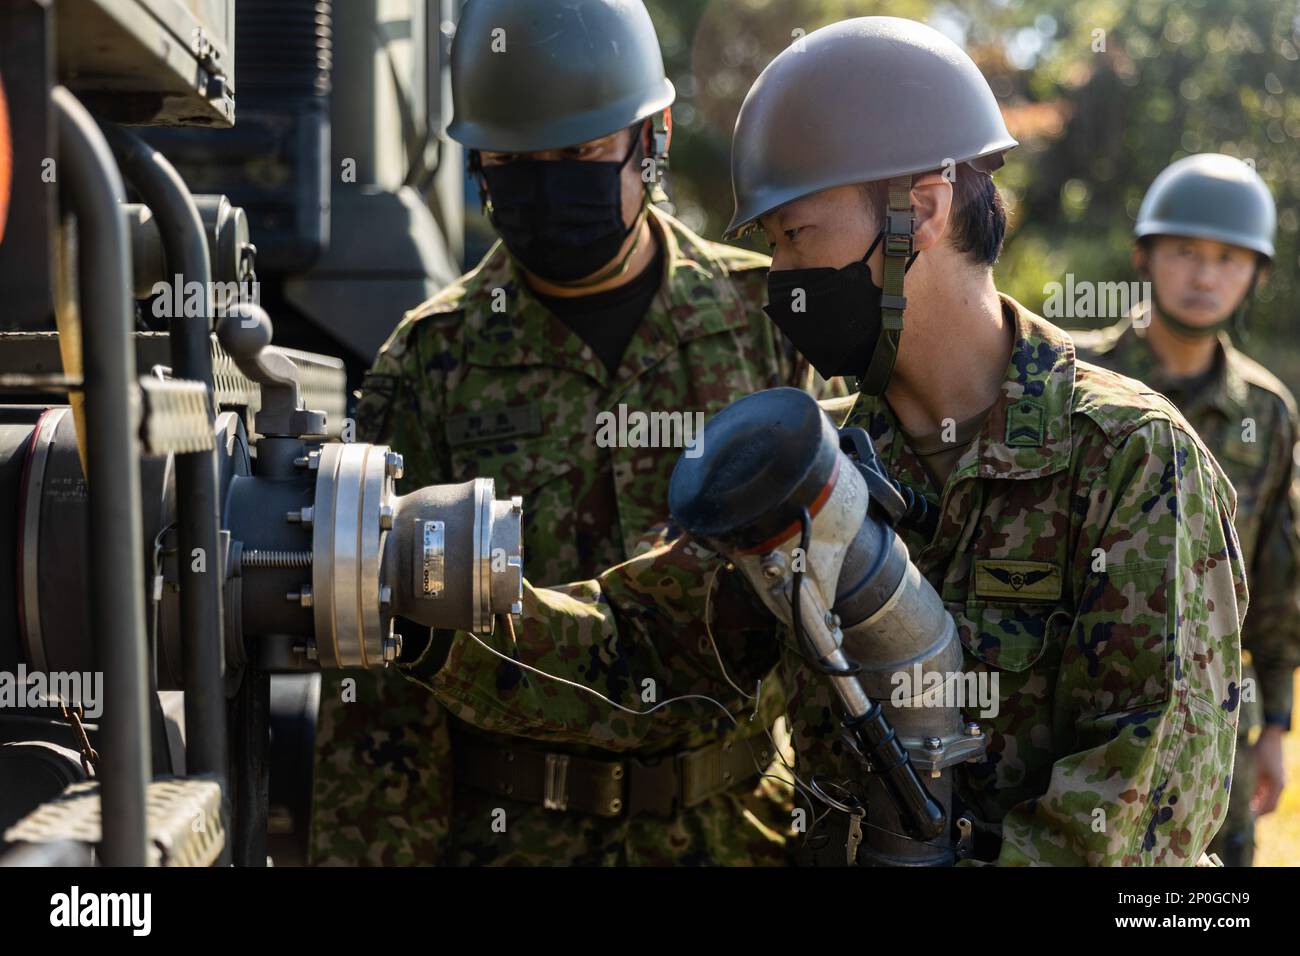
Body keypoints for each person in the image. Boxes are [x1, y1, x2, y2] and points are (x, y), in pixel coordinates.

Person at [416, 16, 1247, 865]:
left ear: (919, 210)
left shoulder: (1131, 464)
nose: (778, 280)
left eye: (794, 236)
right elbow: (642, 654)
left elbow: (1138, 812)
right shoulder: (812, 472)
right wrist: (421, 599)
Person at [308, 0, 836, 866]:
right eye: (517, 161)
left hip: (742, 831)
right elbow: (381, 684)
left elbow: (833, 591)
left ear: (653, 136)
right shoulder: (429, 363)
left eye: (583, 153)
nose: (550, 182)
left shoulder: (767, 318)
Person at [1072, 154, 1300, 866]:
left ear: (1257, 274)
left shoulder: (1266, 412)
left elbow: (1275, 583)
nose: (1205, 276)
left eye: (1229, 259)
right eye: (1184, 252)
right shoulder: (1075, 384)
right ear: (1144, 256)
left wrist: (1276, 727)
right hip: (1080, 715)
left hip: (1218, 730)